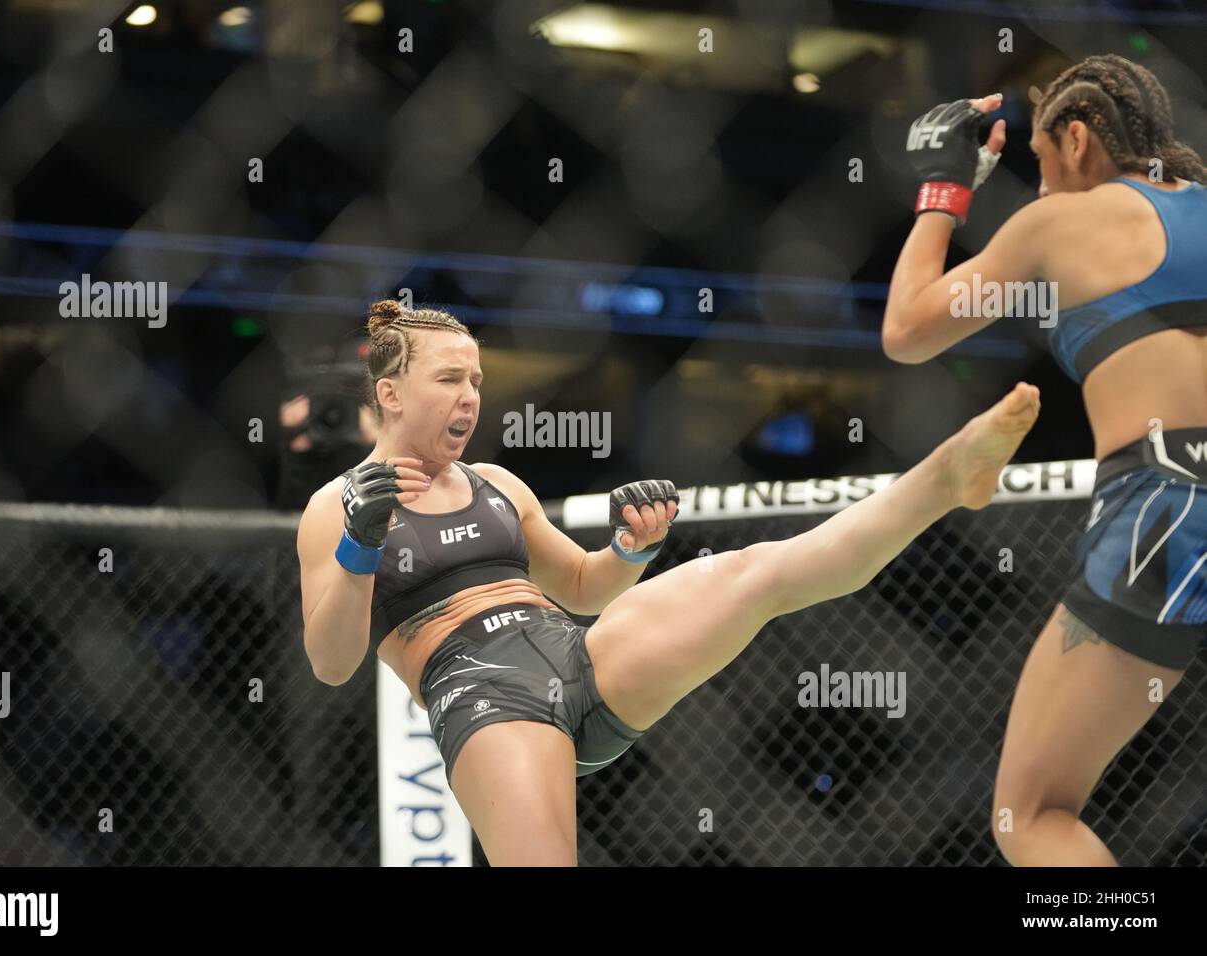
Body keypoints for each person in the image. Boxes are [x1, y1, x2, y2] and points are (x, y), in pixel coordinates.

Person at [298, 297, 1040, 865]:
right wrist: (363, 541)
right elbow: (332, 665)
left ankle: (941, 481)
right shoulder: (334, 507)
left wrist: (630, 547)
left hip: (578, 653)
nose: (470, 396)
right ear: (390, 394)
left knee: (759, 573)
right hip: (482, 691)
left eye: (477, 379)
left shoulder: (496, 482)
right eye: (450, 378)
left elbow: (586, 588)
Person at [884, 54, 1207, 866]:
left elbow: (909, 330)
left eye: (1040, 161)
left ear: (1077, 136)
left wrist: (943, 186)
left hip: (1168, 501)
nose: (1037, 188)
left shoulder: (1063, 222)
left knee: (1030, 815)